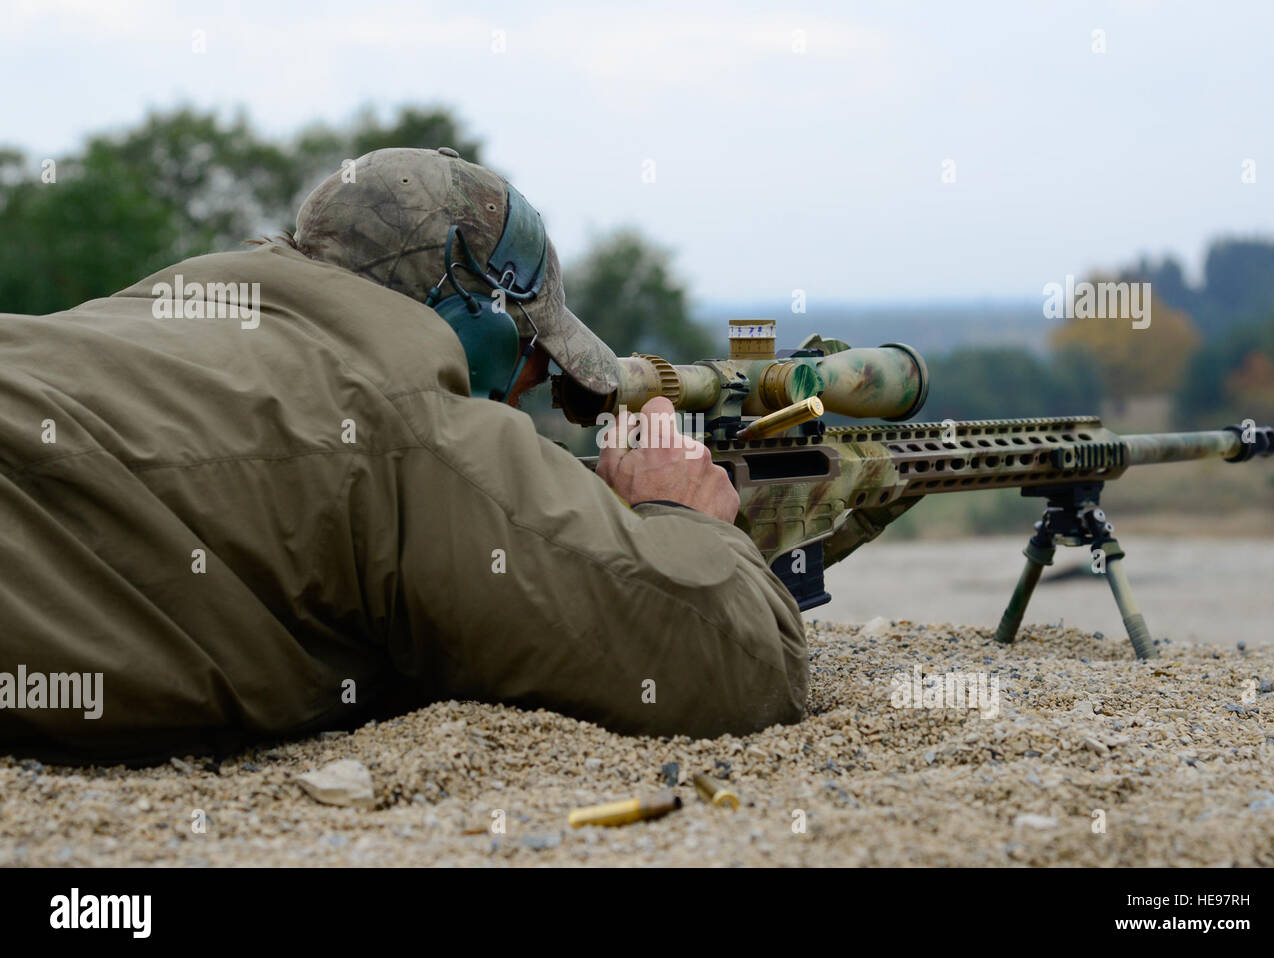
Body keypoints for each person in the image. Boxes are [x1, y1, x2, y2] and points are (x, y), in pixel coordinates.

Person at [0, 147, 806, 764]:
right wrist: (682, 518)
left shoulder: (162, 316)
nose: (525, 391)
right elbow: (727, 660)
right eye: (529, 359)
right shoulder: (399, 413)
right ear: (476, 317)